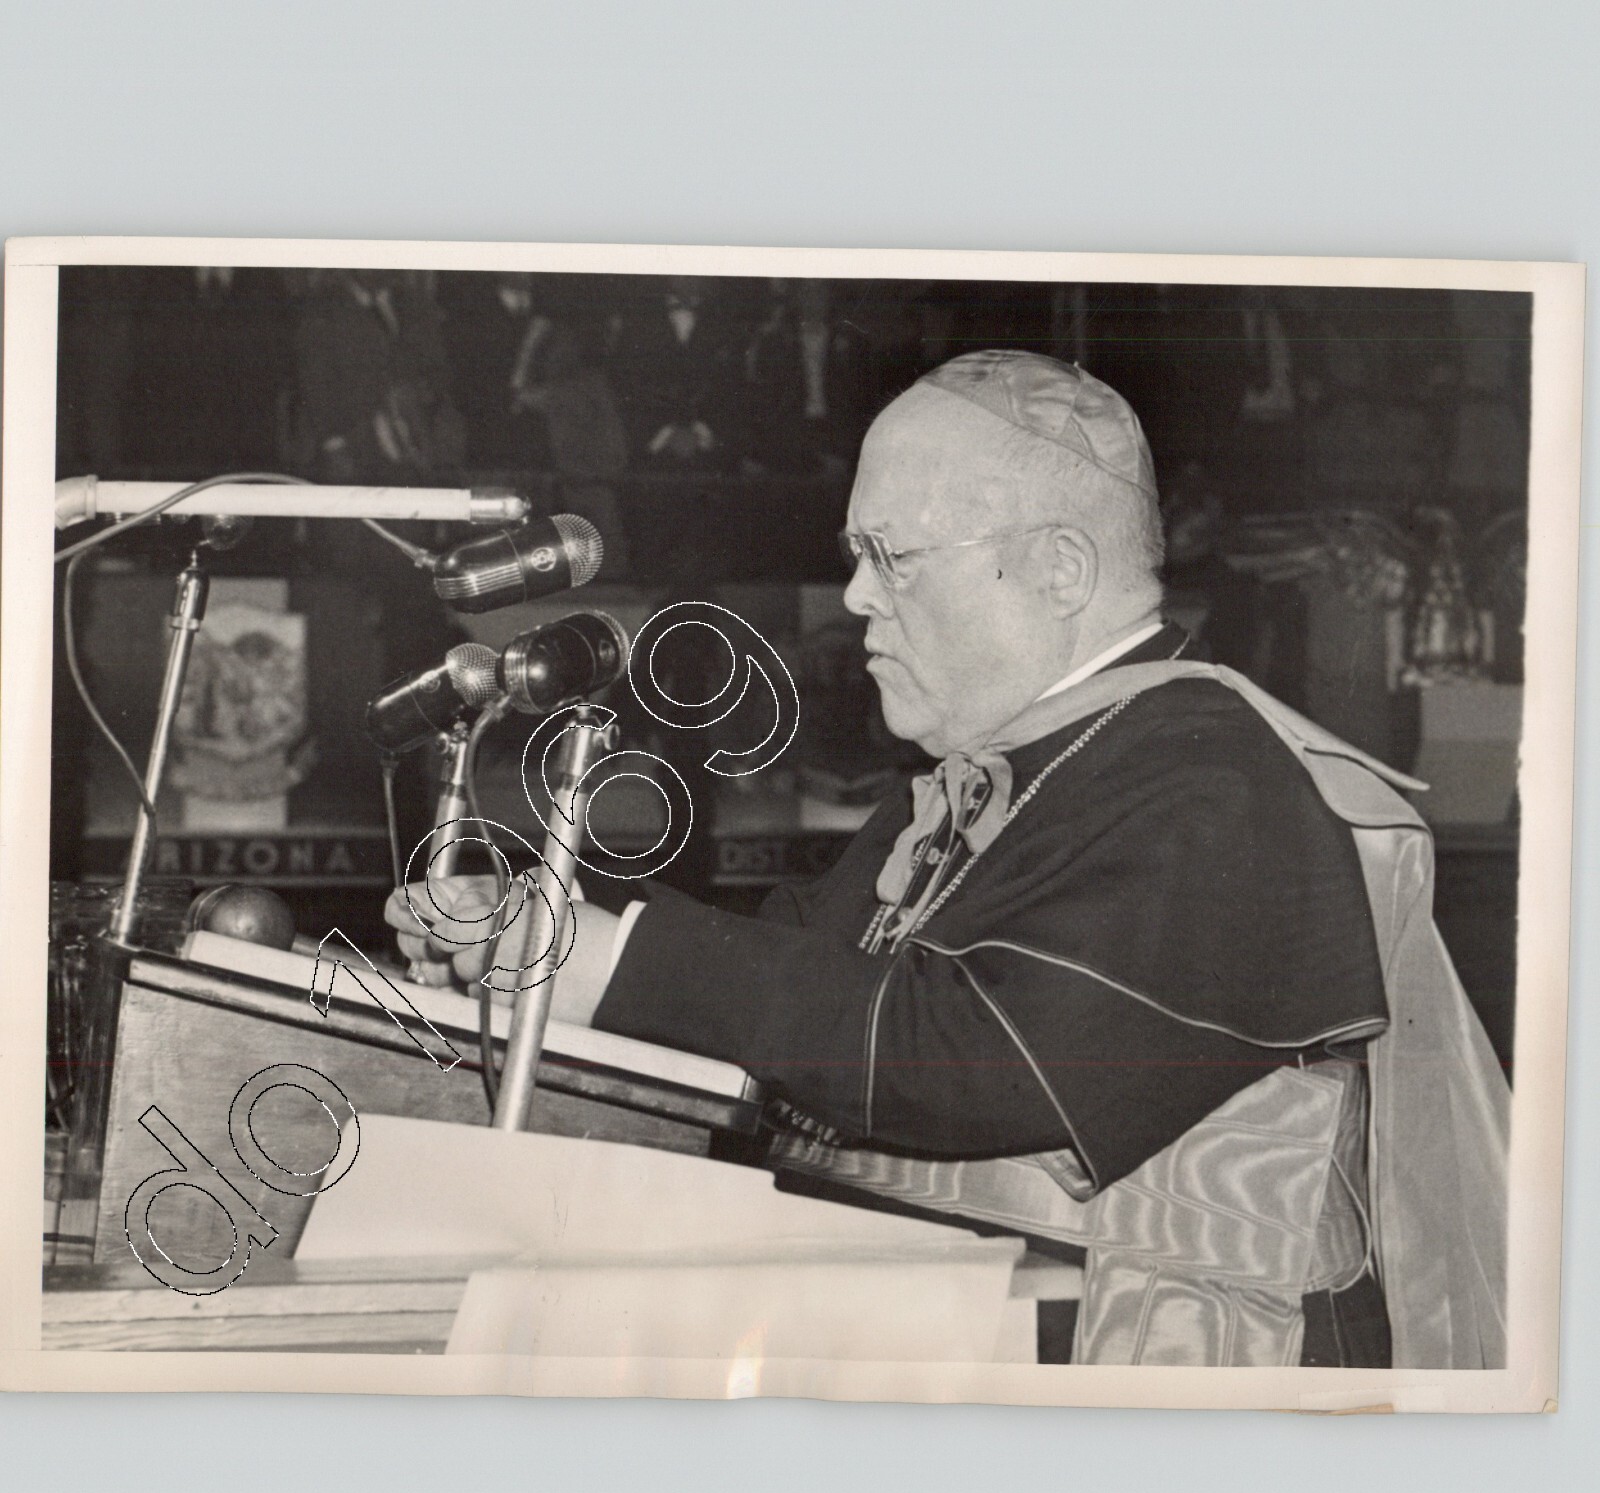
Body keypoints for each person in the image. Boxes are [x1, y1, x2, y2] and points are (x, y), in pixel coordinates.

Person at [388, 350, 1507, 1370]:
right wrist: (540, 945)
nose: (861, 596)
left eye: (894, 556)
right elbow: (807, 970)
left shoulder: (1212, 782)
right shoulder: (1011, 759)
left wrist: (612, 962)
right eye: (855, 558)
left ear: (1062, 567)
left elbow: (973, 1063)